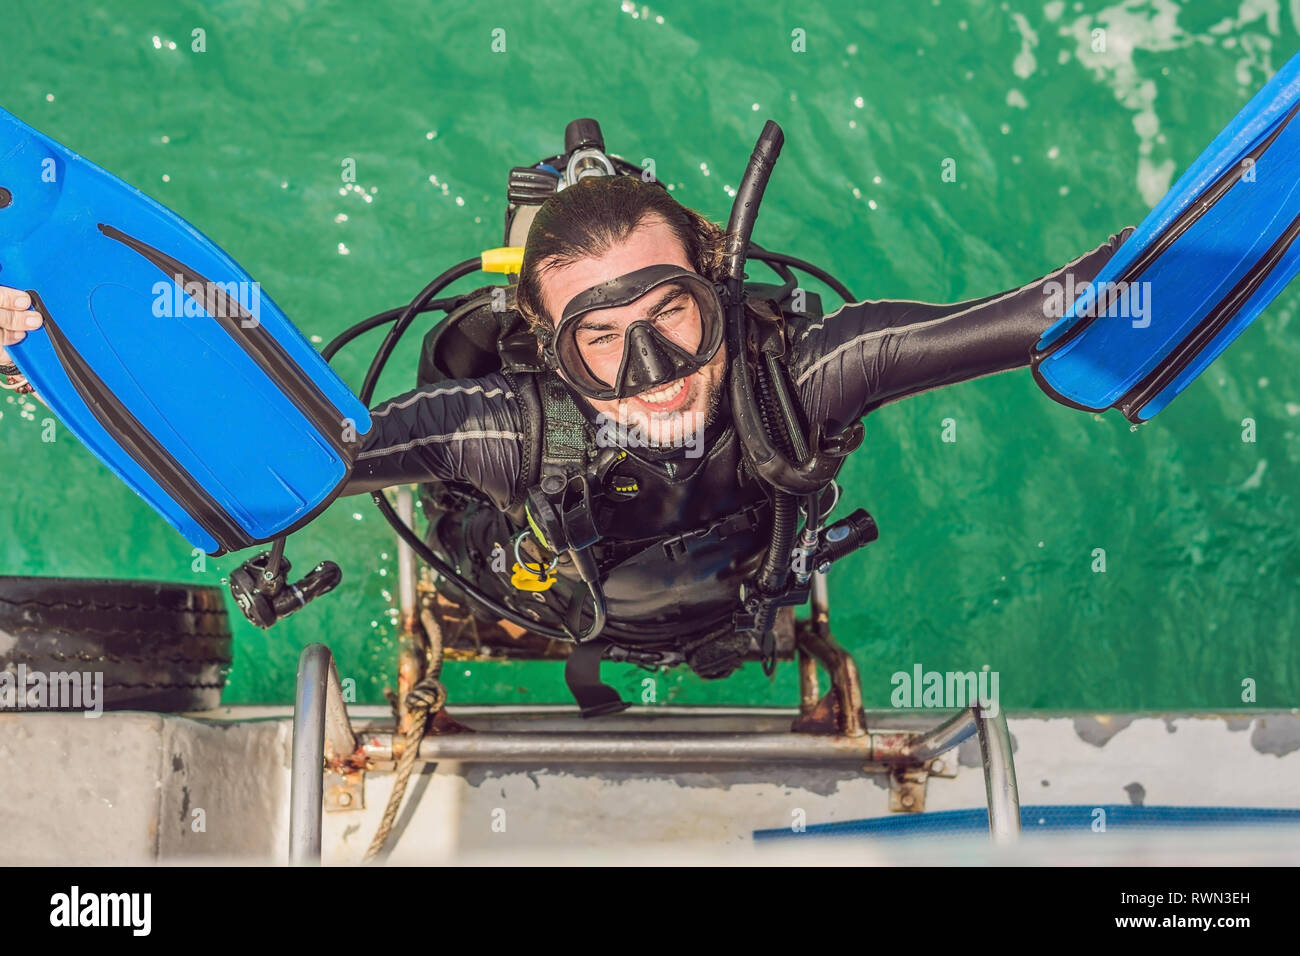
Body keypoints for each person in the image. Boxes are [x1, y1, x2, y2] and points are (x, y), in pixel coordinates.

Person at [0, 175, 1130, 709]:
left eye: (672, 316)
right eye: (600, 340)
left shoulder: (804, 377)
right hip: (534, 600)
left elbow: (1030, 315)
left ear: (718, 289)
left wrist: (1163, 272)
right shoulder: (508, 430)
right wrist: (64, 354)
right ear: (547, 351)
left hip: (739, 608)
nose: (655, 373)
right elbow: (297, 449)